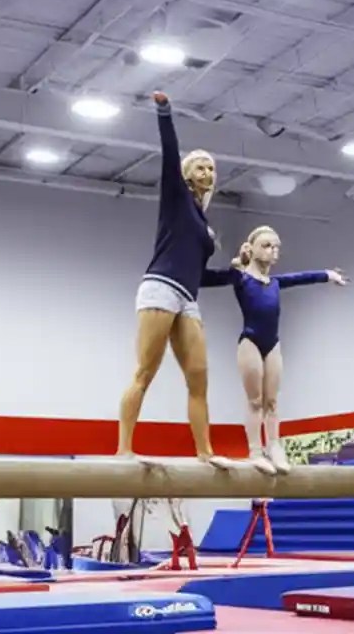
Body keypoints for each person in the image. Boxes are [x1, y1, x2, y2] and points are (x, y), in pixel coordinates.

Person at [116, 91, 230, 468]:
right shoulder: (175, 196)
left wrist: (238, 273)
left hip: (187, 296)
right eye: (200, 167)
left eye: (212, 168)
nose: (207, 173)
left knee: (199, 378)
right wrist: (165, 113)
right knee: (145, 372)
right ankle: (124, 449)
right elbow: (169, 152)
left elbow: (198, 277)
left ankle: (205, 452)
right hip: (160, 288)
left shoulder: (202, 223)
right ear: (185, 174)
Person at [203, 225, 347, 473]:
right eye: (267, 246)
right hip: (250, 341)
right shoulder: (241, 278)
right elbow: (207, 279)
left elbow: (301, 278)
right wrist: (235, 265)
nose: (273, 251)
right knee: (255, 401)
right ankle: (255, 451)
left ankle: (274, 446)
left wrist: (327, 275)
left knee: (272, 402)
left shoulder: (275, 283)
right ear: (253, 248)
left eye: (276, 247)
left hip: (273, 344)